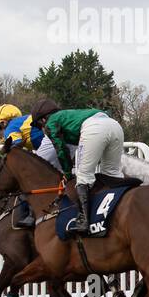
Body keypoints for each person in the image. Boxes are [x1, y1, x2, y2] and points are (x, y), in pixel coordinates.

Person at [30, 99, 125, 235]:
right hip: (114, 125)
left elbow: (61, 150)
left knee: (83, 176)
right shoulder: (68, 116)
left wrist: (68, 174)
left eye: (39, 126)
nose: (42, 130)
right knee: (112, 174)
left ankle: (84, 221)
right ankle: (117, 213)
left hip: (94, 128)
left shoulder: (51, 122)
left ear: (42, 120)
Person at [0, 103, 62, 227]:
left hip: (49, 143)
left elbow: (16, 148)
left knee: (30, 177)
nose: (0, 131)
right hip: (58, 139)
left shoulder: (10, 127)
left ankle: (29, 214)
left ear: (3, 122)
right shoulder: (22, 121)